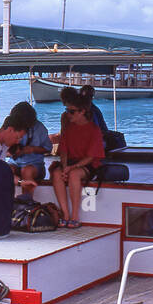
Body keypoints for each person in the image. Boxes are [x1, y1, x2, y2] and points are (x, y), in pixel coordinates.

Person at [50, 95, 105, 228]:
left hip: (88, 164)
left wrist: (71, 167)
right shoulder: (69, 129)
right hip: (71, 162)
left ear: (82, 111)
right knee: (56, 174)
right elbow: (63, 151)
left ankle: (75, 216)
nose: (68, 114)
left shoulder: (94, 130)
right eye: (67, 110)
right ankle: (65, 214)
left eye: (72, 111)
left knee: (74, 175)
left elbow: (91, 157)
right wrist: (64, 167)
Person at [5, 103, 53, 193]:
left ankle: (26, 201)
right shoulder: (10, 127)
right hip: (14, 163)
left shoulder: (39, 128)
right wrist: (12, 152)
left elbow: (48, 149)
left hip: (35, 166)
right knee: (6, 170)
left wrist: (32, 149)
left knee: (26, 171)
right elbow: (2, 150)